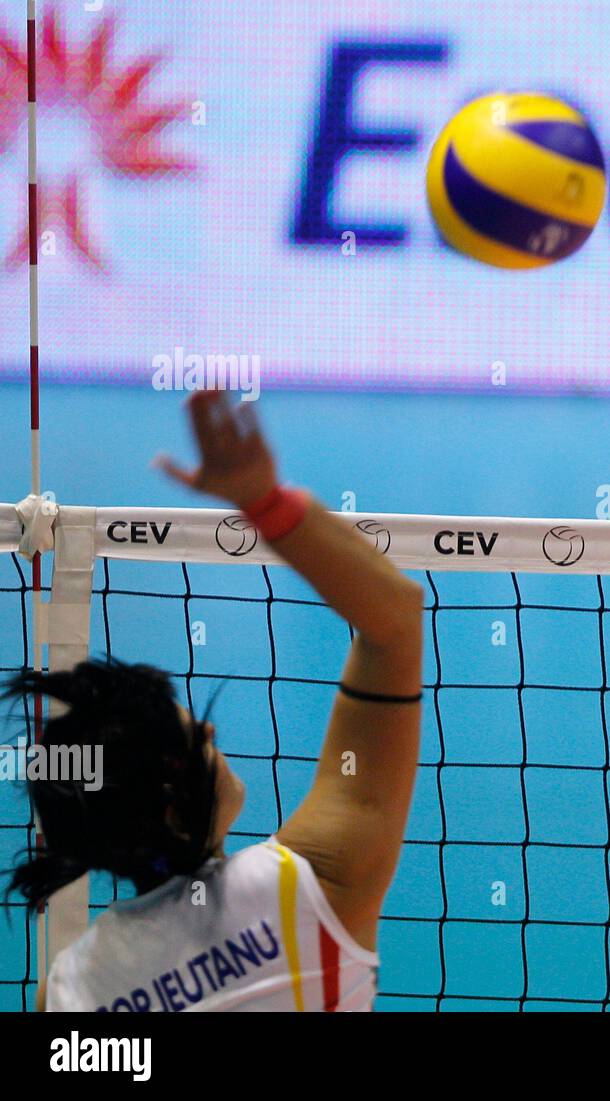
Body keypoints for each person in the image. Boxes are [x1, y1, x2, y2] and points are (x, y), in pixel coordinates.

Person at [7, 389, 425, 1011]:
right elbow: (395, 622)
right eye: (191, 737)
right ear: (174, 803)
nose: (208, 736)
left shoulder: (69, 991)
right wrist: (263, 502)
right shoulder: (313, 891)